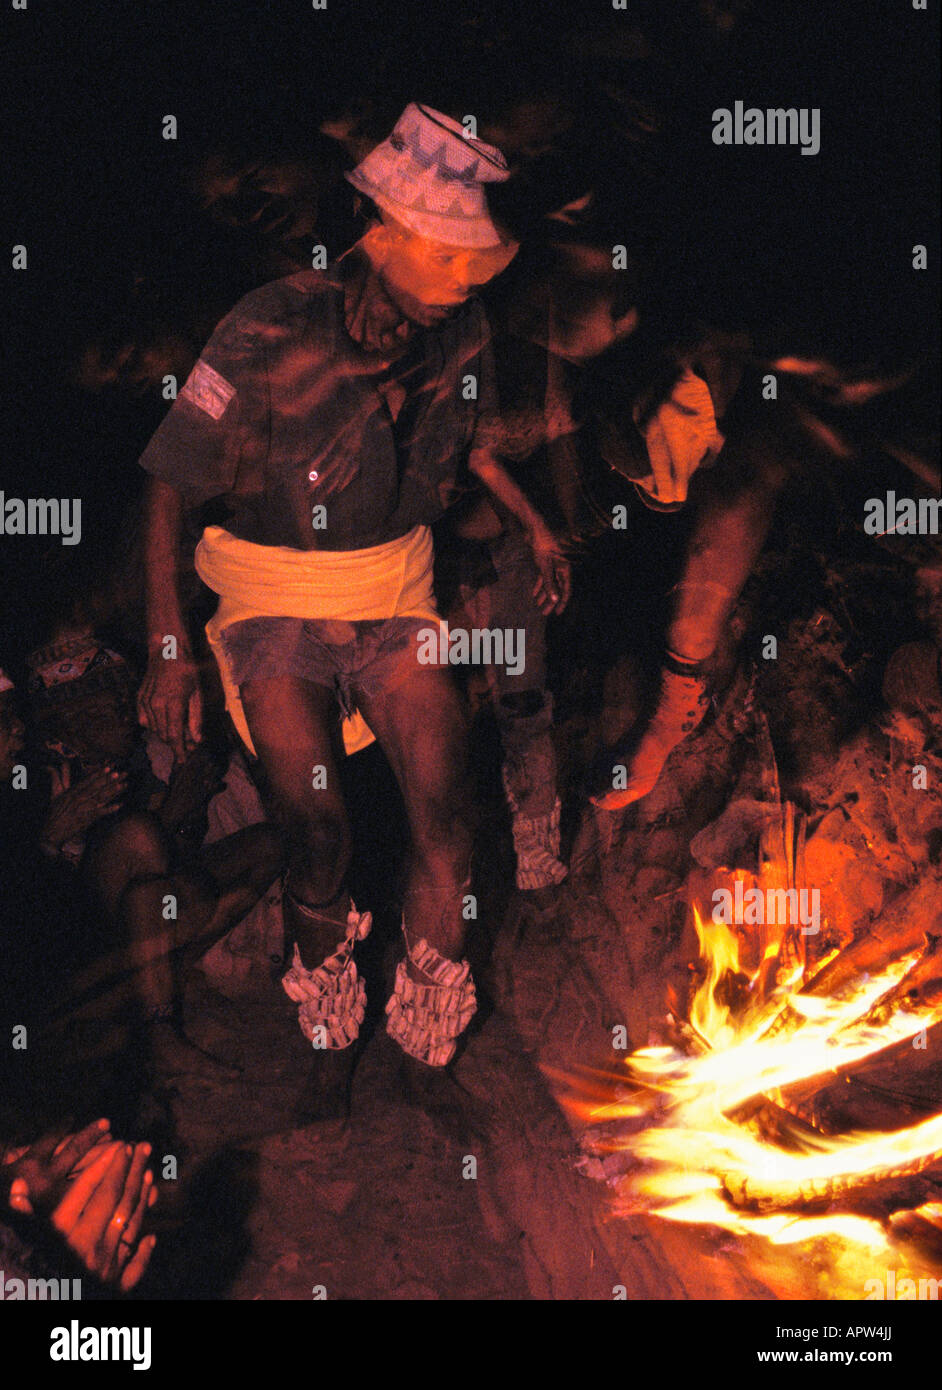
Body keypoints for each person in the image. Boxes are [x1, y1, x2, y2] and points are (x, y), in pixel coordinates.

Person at [135, 105, 571, 1102]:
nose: (466, 277)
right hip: (275, 600)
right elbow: (167, 480)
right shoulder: (268, 324)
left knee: (446, 818)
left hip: (394, 589)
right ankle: (330, 1039)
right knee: (320, 830)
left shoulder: (462, 331)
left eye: (473, 260)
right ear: (382, 233)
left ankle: (426, 1047)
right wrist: (168, 646)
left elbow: (470, 453)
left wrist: (523, 531)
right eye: (449, 255)